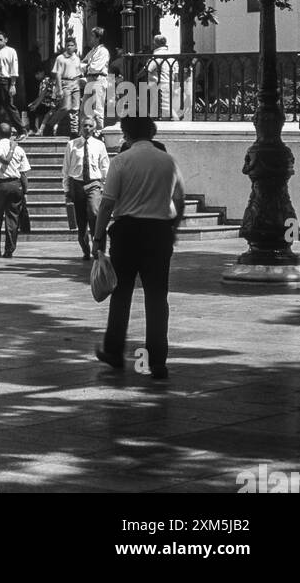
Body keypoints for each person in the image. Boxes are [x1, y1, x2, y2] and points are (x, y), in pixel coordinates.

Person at [92, 114, 186, 380]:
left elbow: (108, 203)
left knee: (121, 294)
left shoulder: (121, 161)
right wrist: (173, 229)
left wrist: (98, 237)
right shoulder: (168, 161)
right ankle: (157, 360)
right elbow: (179, 198)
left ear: (126, 134)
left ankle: (114, 350)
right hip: (158, 233)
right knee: (157, 297)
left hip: (127, 233)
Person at [61, 114, 110, 259]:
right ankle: (85, 249)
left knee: (95, 214)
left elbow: (105, 166)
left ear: (94, 128)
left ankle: (99, 249)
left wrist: (105, 186)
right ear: (80, 128)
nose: (87, 128)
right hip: (77, 185)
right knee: (81, 222)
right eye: (85, 125)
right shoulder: (72, 145)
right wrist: (66, 190)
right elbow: (66, 168)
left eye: (90, 125)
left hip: (93, 184)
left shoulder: (99, 145)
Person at [0, 121, 31, 257]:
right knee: (12, 218)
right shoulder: (19, 149)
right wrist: (25, 191)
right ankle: (9, 249)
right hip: (15, 184)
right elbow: (23, 173)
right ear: (11, 134)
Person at [0, 31, 23, 132]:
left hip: (5, 81)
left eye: (0, 39)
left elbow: (14, 69)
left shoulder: (11, 51)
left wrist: (13, 84)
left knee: (9, 106)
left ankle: (21, 130)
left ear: (6, 40)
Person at [46, 39, 83, 136]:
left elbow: (79, 72)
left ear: (75, 47)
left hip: (75, 82)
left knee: (75, 108)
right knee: (65, 107)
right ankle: (50, 124)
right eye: (68, 45)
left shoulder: (77, 58)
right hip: (65, 82)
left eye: (71, 45)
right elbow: (58, 74)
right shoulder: (60, 58)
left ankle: (74, 131)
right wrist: (59, 89)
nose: (69, 47)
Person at [139, 35, 178, 121]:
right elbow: (176, 73)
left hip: (159, 85)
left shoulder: (157, 55)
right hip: (169, 83)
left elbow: (148, 69)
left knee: (165, 109)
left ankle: (179, 125)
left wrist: (137, 76)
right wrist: (176, 86)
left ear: (155, 44)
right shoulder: (172, 54)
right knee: (161, 110)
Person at [81, 26, 111, 125]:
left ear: (98, 38)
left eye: (93, 36)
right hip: (90, 79)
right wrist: (86, 65)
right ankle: (86, 130)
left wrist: (86, 66)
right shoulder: (92, 51)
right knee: (85, 108)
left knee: (97, 109)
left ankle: (99, 132)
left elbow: (95, 68)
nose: (90, 38)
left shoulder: (103, 51)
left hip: (98, 79)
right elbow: (82, 63)